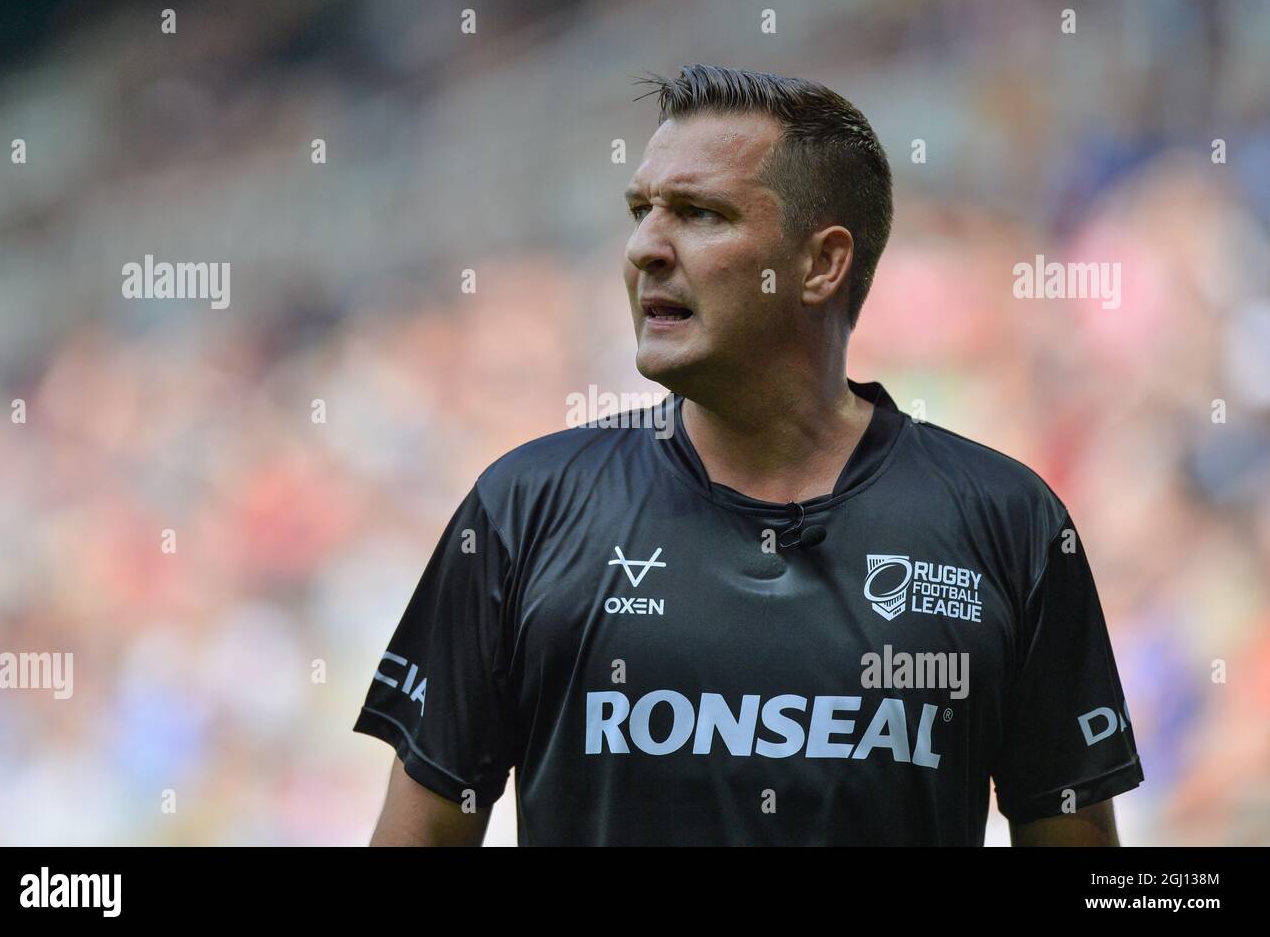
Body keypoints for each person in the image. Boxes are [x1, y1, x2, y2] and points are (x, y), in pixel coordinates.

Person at [353, 64, 1144, 846]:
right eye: (640, 210)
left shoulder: (1005, 524)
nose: (643, 249)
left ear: (820, 264)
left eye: (698, 213)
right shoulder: (524, 507)